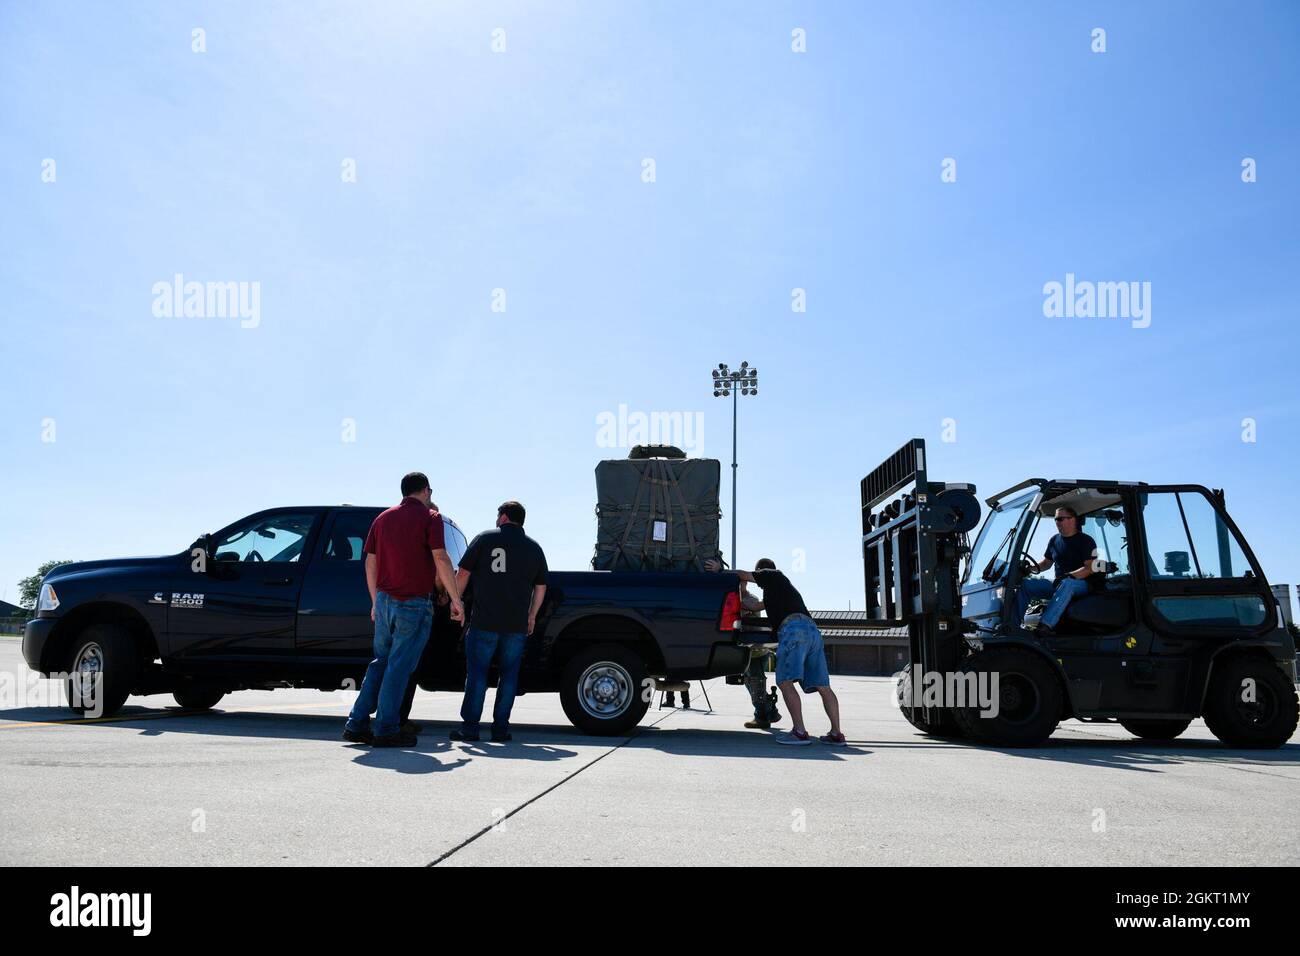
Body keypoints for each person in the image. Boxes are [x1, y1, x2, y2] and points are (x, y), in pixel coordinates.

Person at [343, 473, 463, 748]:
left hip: (384, 602)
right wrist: (456, 599)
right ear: (424, 490)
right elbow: (441, 558)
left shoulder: (382, 519)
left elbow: (370, 564)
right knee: (398, 668)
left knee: (381, 663)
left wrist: (375, 601)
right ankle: (385, 729)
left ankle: (356, 723)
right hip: (413, 604)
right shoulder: (430, 518)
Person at [705, 557, 843, 745]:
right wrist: (739, 594)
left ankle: (799, 732)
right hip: (812, 631)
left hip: (793, 630)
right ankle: (836, 733)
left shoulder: (771, 575)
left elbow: (743, 574)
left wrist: (720, 570)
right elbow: (753, 606)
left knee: (785, 682)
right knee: (823, 686)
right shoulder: (775, 593)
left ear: (761, 572)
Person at [451, 501, 549, 743]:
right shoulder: (534, 548)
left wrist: (456, 602)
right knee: (509, 676)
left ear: (504, 517)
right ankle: (501, 729)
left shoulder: (484, 539)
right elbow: (541, 586)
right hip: (515, 626)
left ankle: (470, 729)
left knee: (477, 674)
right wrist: (532, 615)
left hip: (484, 622)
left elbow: (462, 573)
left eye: (498, 515)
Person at [1016, 506, 1099, 635]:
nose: (1057, 522)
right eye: (1055, 519)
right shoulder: (1054, 540)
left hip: (1081, 584)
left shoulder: (1086, 540)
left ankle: (1045, 626)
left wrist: (1069, 576)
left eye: (1060, 519)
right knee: (1025, 585)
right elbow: (1046, 563)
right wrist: (1029, 569)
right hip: (1059, 584)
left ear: (1072, 520)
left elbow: (1089, 568)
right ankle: (1014, 625)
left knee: (1067, 584)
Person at [739, 581, 781, 729]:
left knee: (755, 682)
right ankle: (768, 710)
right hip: (753, 648)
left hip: (755, 649)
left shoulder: (750, 600)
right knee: (751, 681)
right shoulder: (748, 598)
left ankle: (763, 715)